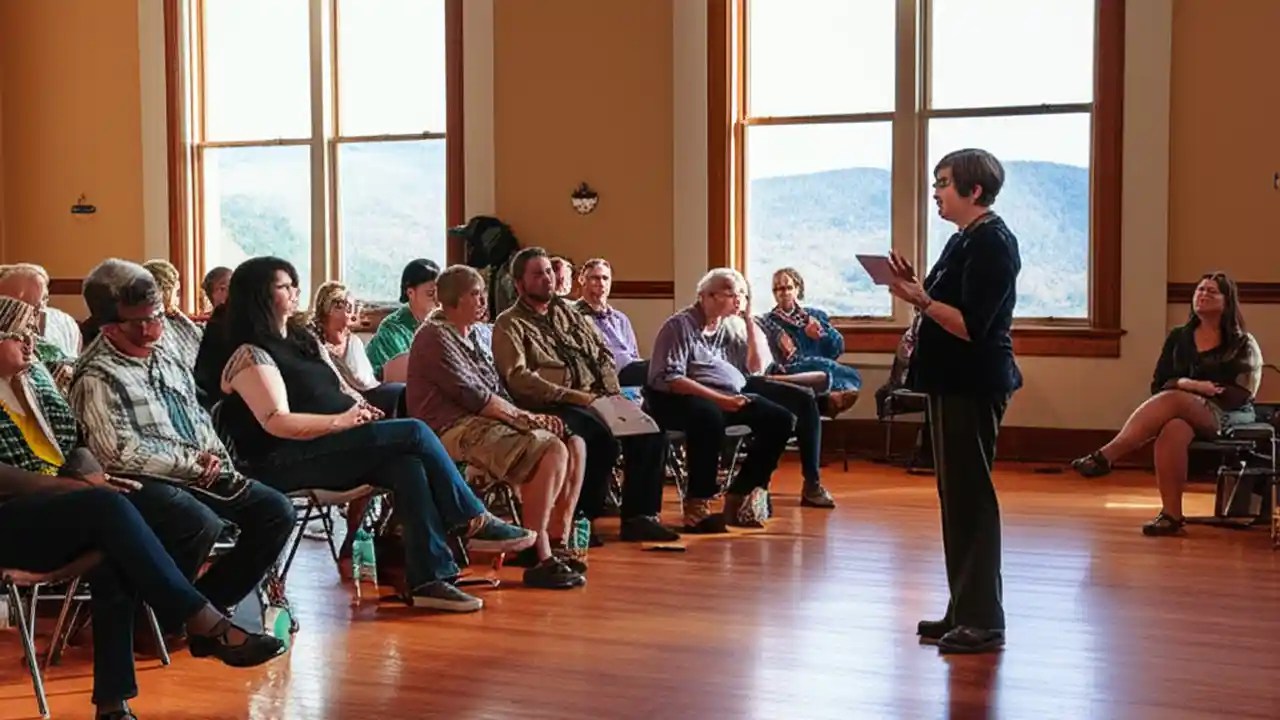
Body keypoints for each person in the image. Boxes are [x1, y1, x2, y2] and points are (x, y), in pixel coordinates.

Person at [0, 295, 284, 720]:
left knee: (114, 537)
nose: (31, 342)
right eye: (17, 335)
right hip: (13, 519)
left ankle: (113, 705)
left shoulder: (33, 380)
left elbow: (76, 443)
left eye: (30, 332)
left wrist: (91, 474)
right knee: (107, 510)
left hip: (61, 509)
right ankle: (200, 621)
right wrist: (74, 489)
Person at [199, 256, 535, 612]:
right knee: (415, 432)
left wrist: (361, 407)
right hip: (280, 457)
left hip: (328, 446)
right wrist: (344, 421)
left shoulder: (302, 338)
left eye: (295, 284)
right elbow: (276, 421)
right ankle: (472, 520)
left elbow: (341, 385)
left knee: (407, 465)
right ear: (259, 296)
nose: (296, 292)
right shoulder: (248, 353)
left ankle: (429, 580)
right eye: (284, 287)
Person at [69, 259, 296, 616]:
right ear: (109, 327)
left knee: (276, 512)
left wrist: (215, 455)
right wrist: (192, 465)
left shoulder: (165, 351)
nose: (152, 330)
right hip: (138, 482)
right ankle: (158, 619)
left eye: (156, 316)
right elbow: (118, 454)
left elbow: (195, 411)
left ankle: (201, 606)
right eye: (139, 323)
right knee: (195, 519)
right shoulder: (96, 374)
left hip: (198, 471)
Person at [886, 148, 1020, 655]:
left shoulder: (993, 244)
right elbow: (947, 303)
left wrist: (919, 299)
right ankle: (964, 606)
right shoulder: (964, 240)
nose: (936, 192)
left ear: (975, 191)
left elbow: (971, 326)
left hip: (973, 381)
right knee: (956, 497)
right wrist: (916, 287)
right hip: (951, 382)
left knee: (972, 499)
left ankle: (983, 619)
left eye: (943, 183)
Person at [408, 265, 587, 588]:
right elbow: (475, 397)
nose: (481, 300)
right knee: (549, 448)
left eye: (481, 293)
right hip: (448, 431)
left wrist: (528, 417)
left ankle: (558, 539)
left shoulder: (476, 334)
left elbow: (497, 389)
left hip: (481, 421)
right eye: (474, 294)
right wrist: (527, 420)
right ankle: (539, 550)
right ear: (453, 301)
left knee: (574, 441)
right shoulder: (433, 336)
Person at [493, 247, 677, 543]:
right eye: (537, 274)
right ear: (519, 284)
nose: (547, 279)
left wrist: (612, 394)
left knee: (650, 430)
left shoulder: (569, 313)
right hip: (552, 405)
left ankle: (639, 517)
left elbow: (602, 353)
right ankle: (581, 518)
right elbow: (519, 379)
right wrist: (578, 397)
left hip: (595, 396)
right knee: (598, 437)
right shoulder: (509, 323)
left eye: (549, 272)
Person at [1071, 272, 1262, 535]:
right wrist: (1190, 385)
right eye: (1199, 290)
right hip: (1182, 408)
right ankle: (1172, 515)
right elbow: (1160, 383)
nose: (1203, 295)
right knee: (1174, 427)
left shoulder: (1243, 343)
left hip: (1230, 414)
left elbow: (1242, 393)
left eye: (1211, 292)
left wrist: (1190, 392)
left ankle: (1106, 456)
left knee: (1174, 400)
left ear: (1227, 302)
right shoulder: (1179, 337)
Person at [646, 269, 796, 531]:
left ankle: (741, 493)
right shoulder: (679, 326)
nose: (738, 299)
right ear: (706, 296)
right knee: (707, 415)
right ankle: (697, 505)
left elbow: (755, 368)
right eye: (730, 293)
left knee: (781, 418)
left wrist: (749, 321)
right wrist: (721, 400)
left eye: (741, 294)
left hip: (723, 396)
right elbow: (670, 378)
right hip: (675, 399)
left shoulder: (731, 326)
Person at [758, 267, 861, 416]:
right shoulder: (768, 321)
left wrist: (822, 334)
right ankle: (828, 398)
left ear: (797, 289)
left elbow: (837, 349)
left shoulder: (815, 315)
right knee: (825, 369)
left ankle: (827, 398)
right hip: (792, 368)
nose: (784, 293)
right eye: (778, 289)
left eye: (788, 287)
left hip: (819, 365)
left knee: (851, 375)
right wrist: (778, 336)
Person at [308, 281, 403, 416]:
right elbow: (335, 383)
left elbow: (366, 382)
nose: (353, 314)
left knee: (400, 392)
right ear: (331, 309)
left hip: (369, 393)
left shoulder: (353, 342)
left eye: (353, 308)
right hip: (341, 400)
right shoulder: (313, 342)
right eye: (348, 308)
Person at [574, 258, 647, 388]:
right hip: (606, 373)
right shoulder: (575, 316)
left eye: (605, 278)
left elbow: (634, 355)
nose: (601, 283)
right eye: (595, 278)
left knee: (668, 370)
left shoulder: (620, 318)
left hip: (632, 370)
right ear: (582, 281)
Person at [366, 259, 440, 379]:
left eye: (439, 294)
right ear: (410, 293)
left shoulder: (440, 322)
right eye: (430, 294)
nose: (437, 300)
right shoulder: (392, 329)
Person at [142, 258, 204, 368]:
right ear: (167, 291)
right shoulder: (157, 323)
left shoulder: (172, 318)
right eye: (177, 292)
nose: (178, 299)